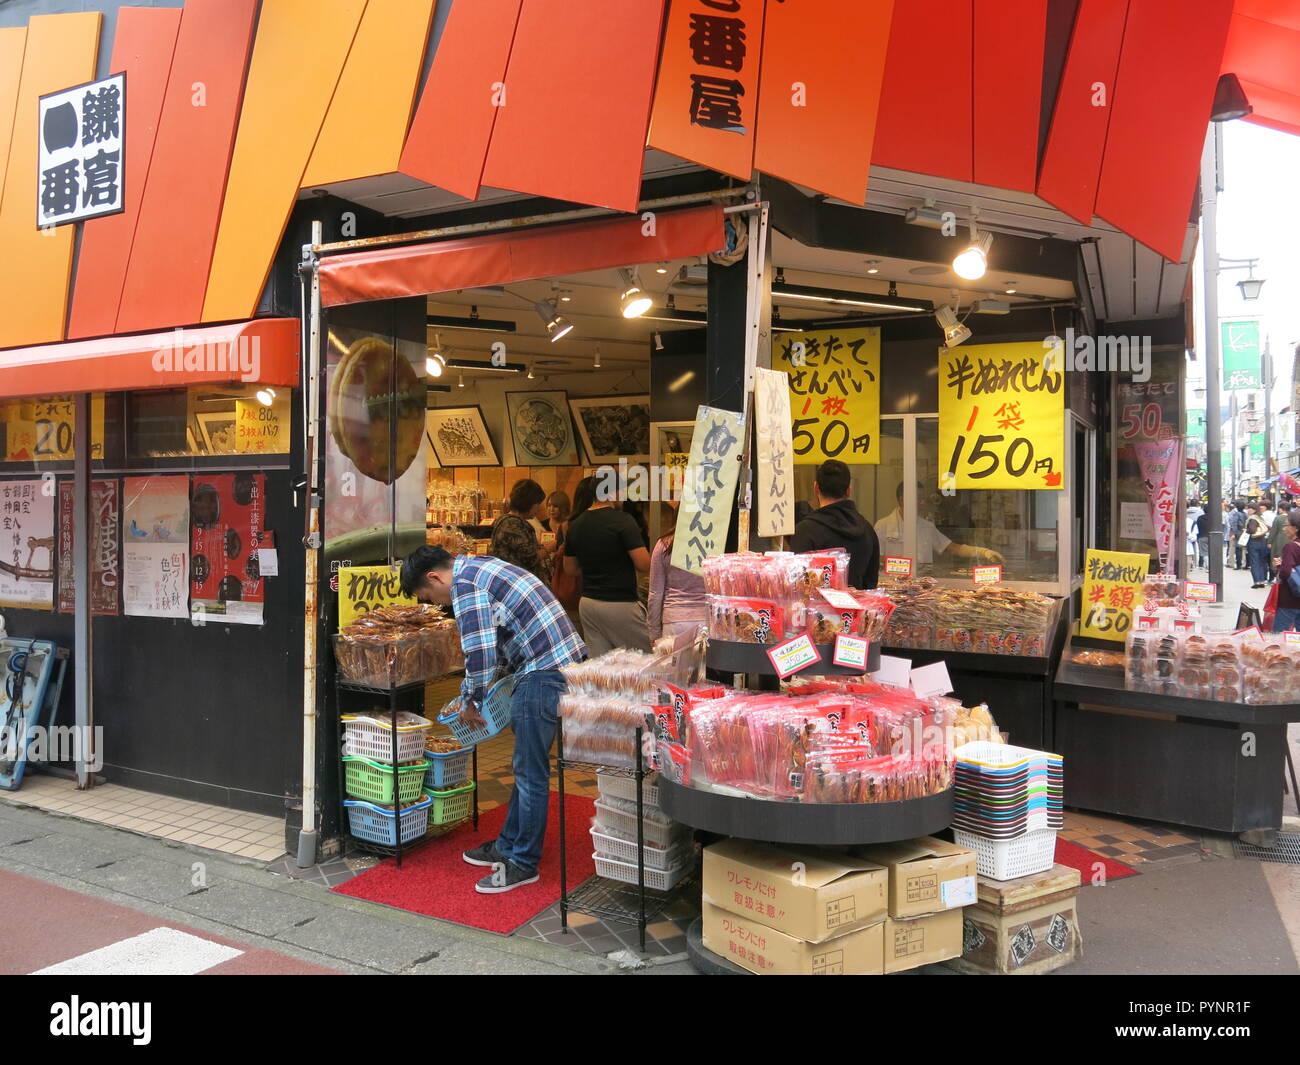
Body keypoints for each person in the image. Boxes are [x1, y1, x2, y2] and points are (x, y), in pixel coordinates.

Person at [399, 546, 586, 893]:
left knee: (531, 773)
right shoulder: (479, 566)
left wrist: (471, 700)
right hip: (554, 664)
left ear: (434, 577)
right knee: (525, 768)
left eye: (430, 597)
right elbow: (499, 639)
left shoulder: (465, 585)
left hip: (543, 672)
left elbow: (480, 653)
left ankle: (522, 863)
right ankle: (507, 844)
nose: (438, 604)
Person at [563, 476, 652, 654]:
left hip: (588, 604)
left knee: (602, 667)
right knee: (644, 660)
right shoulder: (623, 521)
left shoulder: (575, 524)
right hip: (620, 604)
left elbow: (570, 569)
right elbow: (643, 564)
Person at [789, 460, 881, 588]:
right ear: (848, 491)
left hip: (817, 608)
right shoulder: (868, 530)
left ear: (816, 488)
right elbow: (871, 585)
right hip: (858, 607)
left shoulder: (804, 531)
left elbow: (798, 586)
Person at [875, 481, 1003, 573]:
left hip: (922, 585)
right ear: (903, 500)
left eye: (922, 499)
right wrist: (903, 566)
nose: (922, 503)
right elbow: (875, 558)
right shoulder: (883, 526)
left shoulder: (927, 527)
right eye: (918, 499)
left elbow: (953, 548)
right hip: (893, 585)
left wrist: (983, 552)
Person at [647, 530, 707, 653]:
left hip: (674, 620)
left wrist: (654, 633)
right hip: (705, 620)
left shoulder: (664, 545)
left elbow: (655, 593)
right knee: (702, 671)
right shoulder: (712, 541)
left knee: (672, 669)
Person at [488, 478, 549, 580]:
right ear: (528, 503)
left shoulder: (506, 520)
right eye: (537, 504)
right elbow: (531, 559)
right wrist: (549, 548)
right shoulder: (513, 524)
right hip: (516, 583)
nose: (538, 509)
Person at [1274, 509, 1300, 632]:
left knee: (1278, 638)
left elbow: (1285, 572)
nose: (1284, 529)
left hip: (1290, 599)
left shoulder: (1291, 546)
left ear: (1295, 528)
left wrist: (1280, 566)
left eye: (1286, 525)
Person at [1245, 504, 1271, 588]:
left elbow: (1252, 530)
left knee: (1254, 561)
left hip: (1254, 541)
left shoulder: (1252, 519)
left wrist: (1246, 530)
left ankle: (1257, 581)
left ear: (1254, 510)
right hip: (1263, 541)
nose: (1248, 510)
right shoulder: (1261, 518)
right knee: (1262, 562)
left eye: (1249, 508)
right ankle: (1262, 580)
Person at [1226, 500, 1247, 569]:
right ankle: (1244, 563)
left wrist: (1234, 533)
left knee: (1236, 549)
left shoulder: (1236, 514)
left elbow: (1233, 524)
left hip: (1237, 532)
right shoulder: (1245, 514)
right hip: (1244, 532)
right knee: (1243, 549)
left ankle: (1238, 564)